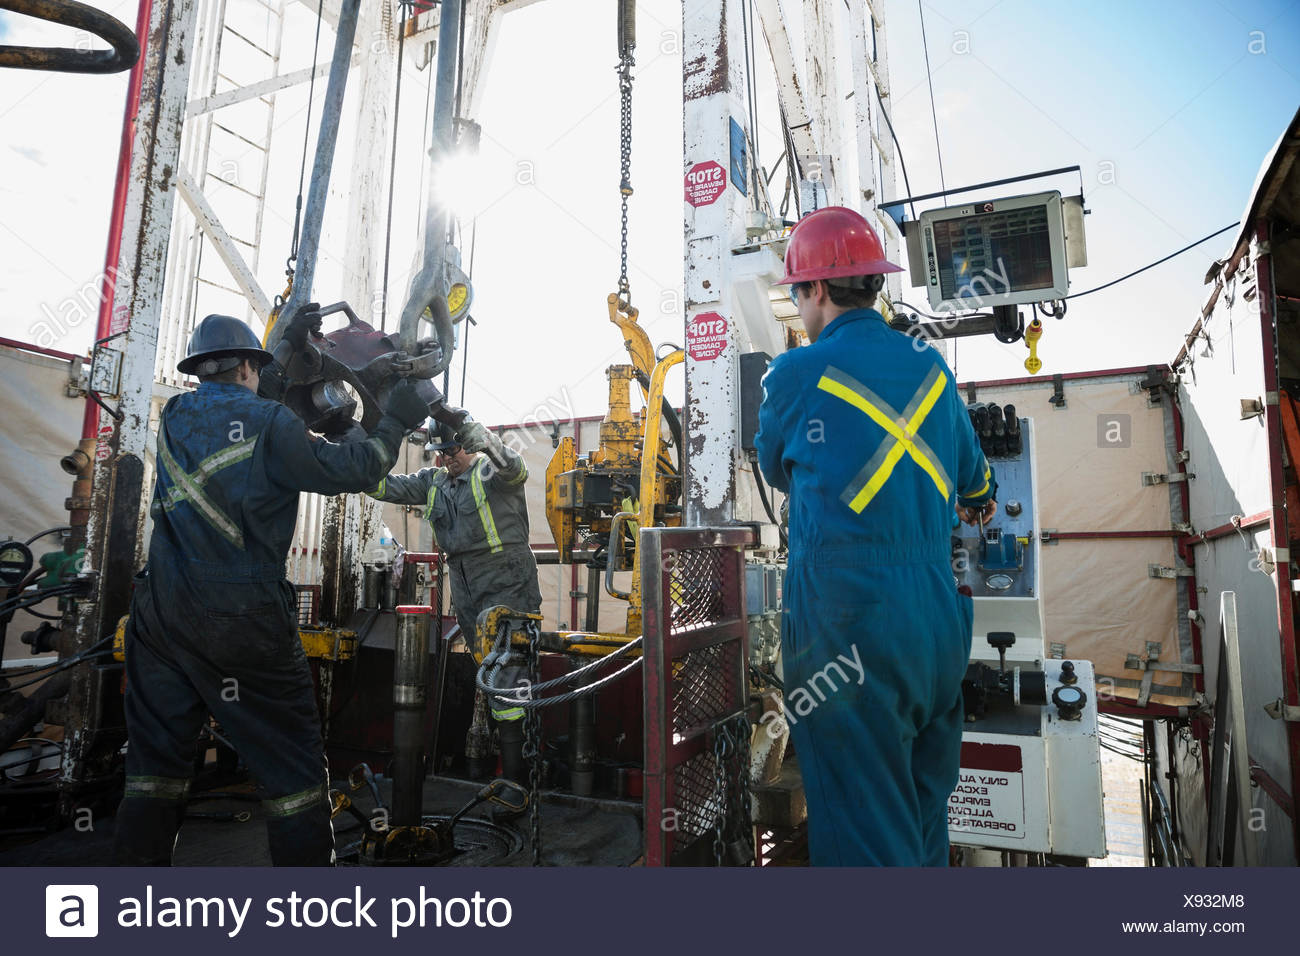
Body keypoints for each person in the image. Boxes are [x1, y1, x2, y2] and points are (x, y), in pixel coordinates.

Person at [113, 311, 431, 866]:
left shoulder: (176, 414)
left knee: (153, 771)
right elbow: (353, 472)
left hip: (160, 614)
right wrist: (394, 423)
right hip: (241, 618)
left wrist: (285, 354)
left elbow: (248, 413)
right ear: (247, 366)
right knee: (293, 771)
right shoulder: (272, 425)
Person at [754, 206, 997, 866]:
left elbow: (774, 465)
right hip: (939, 627)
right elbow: (978, 487)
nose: (799, 305)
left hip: (849, 630)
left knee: (864, 834)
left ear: (817, 289)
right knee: (920, 820)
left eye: (796, 292)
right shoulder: (935, 372)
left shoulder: (796, 374)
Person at [367, 418, 541, 784]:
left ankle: (516, 783)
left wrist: (491, 443)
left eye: (453, 449)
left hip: (505, 577)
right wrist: (353, 460)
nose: (447, 458)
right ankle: (507, 766)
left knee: (508, 672)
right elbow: (385, 487)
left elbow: (516, 470)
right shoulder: (433, 483)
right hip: (463, 580)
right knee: (490, 669)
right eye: (441, 452)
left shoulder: (490, 469)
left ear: (470, 445)